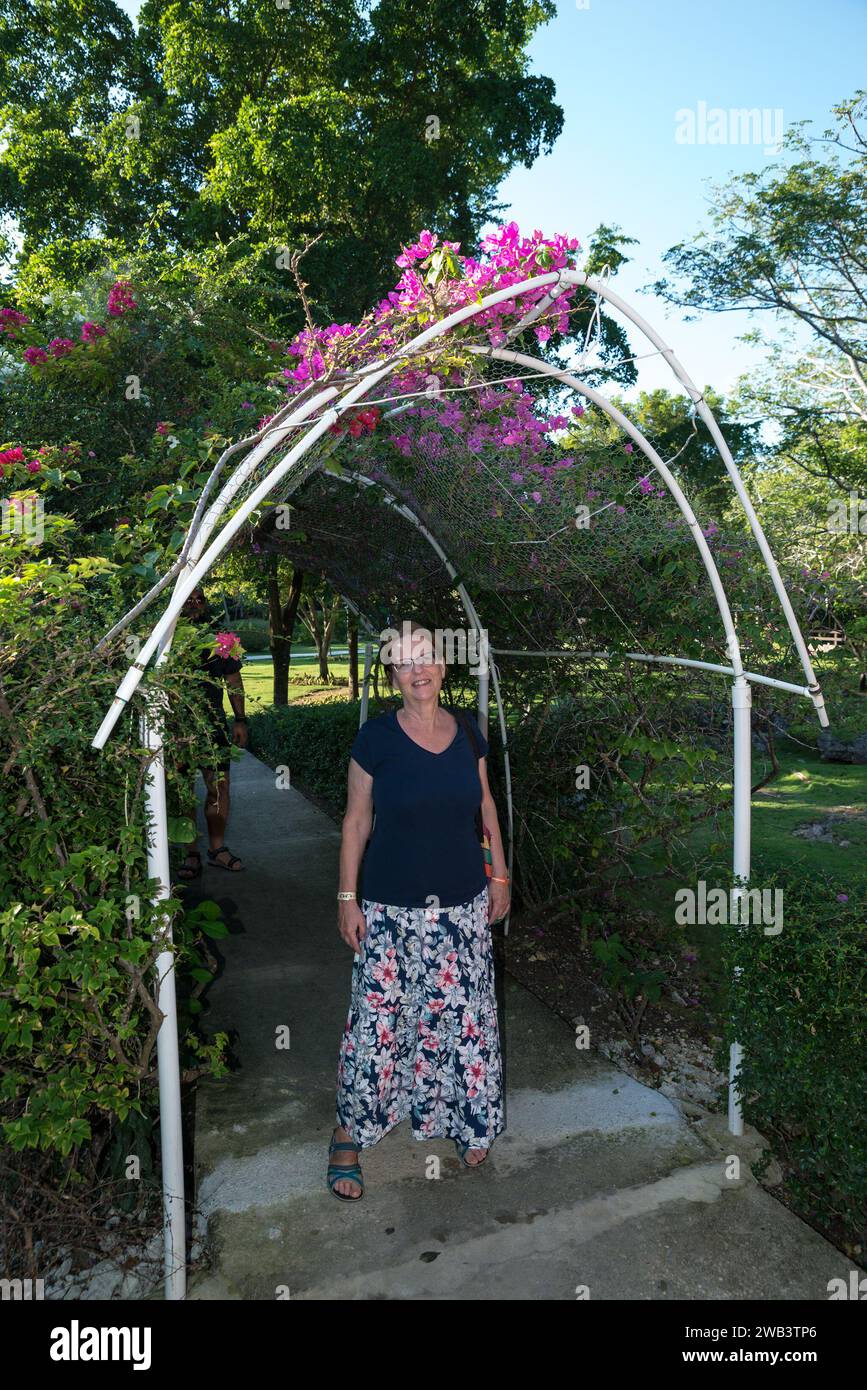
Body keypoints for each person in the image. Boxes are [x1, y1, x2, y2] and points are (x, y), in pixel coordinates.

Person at [327, 620, 510, 1200]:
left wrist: (500, 876)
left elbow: (484, 806)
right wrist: (346, 897)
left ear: (443, 664)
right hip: (388, 908)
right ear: (392, 675)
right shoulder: (375, 739)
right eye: (404, 661)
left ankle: (464, 1118)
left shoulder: (469, 733)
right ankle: (349, 1131)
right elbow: (357, 821)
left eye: (426, 656)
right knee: (379, 1026)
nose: (419, 669)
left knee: (461, 1020)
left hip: (462, 906)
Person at [175, 586, 248, 878]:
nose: (195, 604)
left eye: (200, 599)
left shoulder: (222, 638)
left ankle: (217, 849)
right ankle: (190, 852)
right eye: (188, 599)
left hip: (212, 724)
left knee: (220, 785)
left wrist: (241, 719)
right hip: (175, 727)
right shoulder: (166, 635)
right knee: (182, 791)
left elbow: (233, 678)